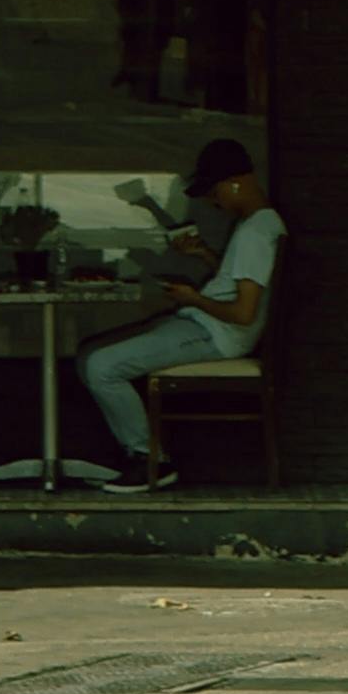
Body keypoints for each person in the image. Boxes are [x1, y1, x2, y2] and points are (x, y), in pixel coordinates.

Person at [77, 134, 279, 478]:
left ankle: (149, 460)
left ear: (235, 183)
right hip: (202, 325)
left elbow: (244, 314)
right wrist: (204, 255)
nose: (214, 202)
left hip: (216, 335)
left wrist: (193, 297)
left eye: (214, 192)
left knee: (100, 366)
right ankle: (136, 451)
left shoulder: (256, 233)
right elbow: (240, 281)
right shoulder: (259, 224)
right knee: (89, 355)